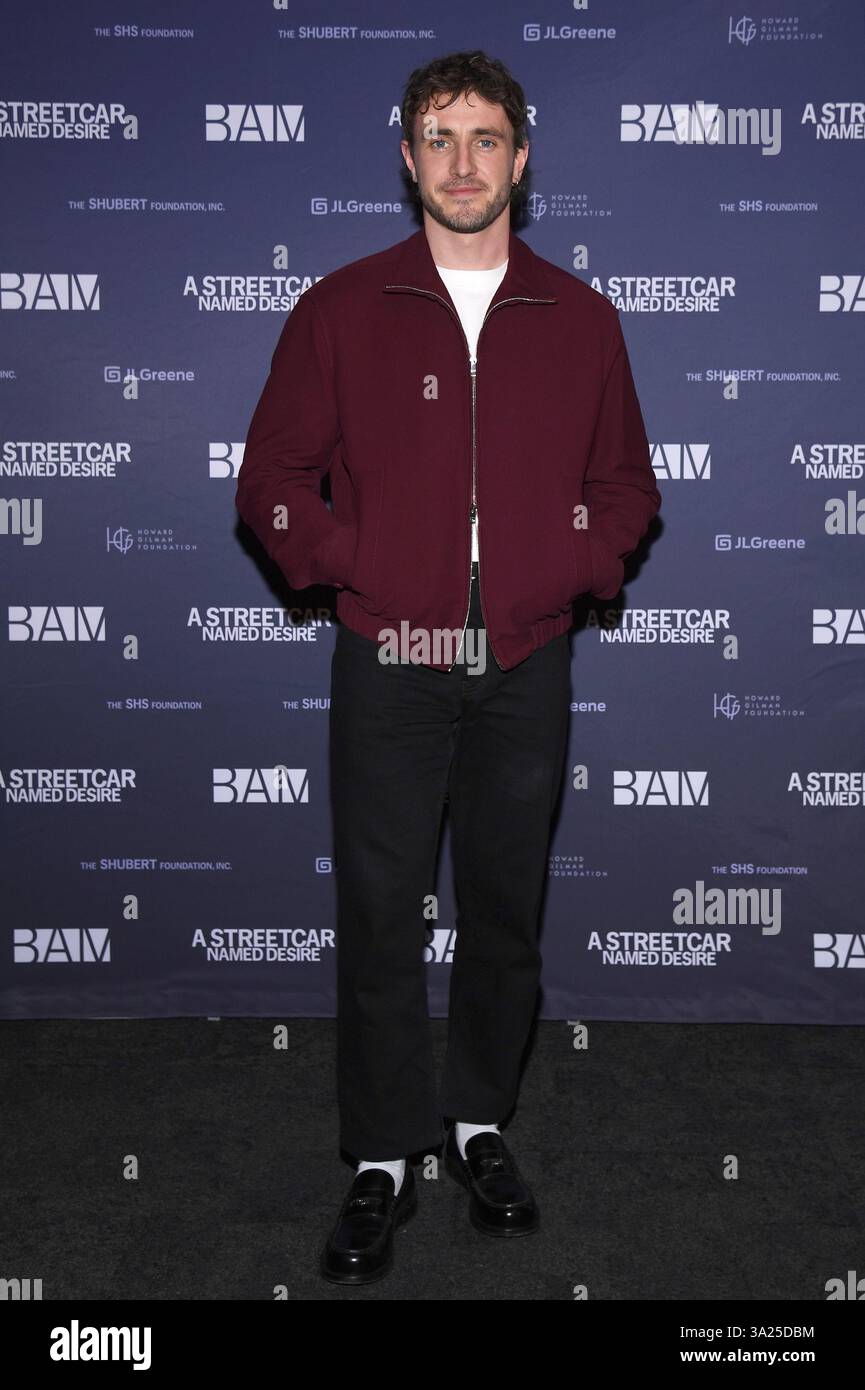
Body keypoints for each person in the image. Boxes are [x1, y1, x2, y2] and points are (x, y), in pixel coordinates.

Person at [235, 49, 661, 1286]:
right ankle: (381, 1154)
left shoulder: (579, 316)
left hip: (524, 652)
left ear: (521, 160)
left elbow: (626, 487)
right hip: (395, 653)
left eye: (486, 138)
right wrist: (359, 560)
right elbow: (268, 481)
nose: (462, 161)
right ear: (407, 156)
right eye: (439, 137)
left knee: (504, 908)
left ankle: (477, 1126)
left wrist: (560, 563)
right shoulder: (341, 305)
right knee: (377, 914)